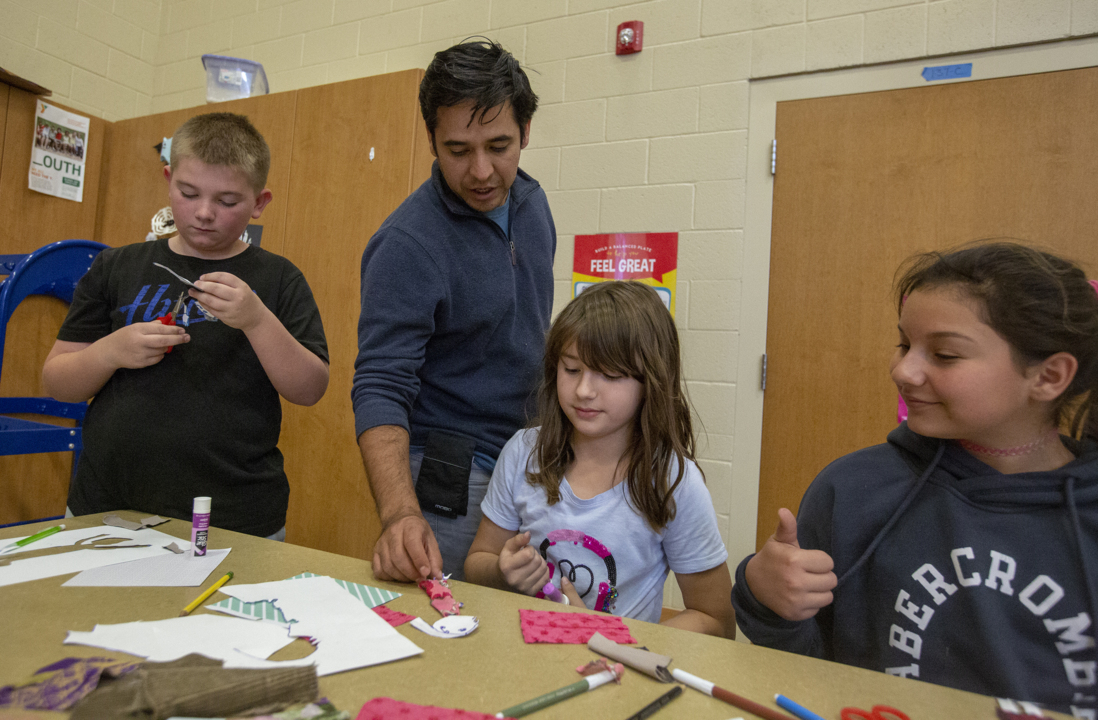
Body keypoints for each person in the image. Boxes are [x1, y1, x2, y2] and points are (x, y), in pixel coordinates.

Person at [733, 242, 1098, 716]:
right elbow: (802, 675)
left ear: (1049, 376)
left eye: (944, 355)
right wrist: (764, 598)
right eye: (905, 344)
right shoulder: (852, 490)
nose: (903, 370)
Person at [42, 112, 329, 538]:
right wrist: (110, 351)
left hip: (236, 515)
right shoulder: (115, 267)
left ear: (259, 203)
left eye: (228, 202)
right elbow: (58, 382)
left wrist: (256, 320)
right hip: (107, 505)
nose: (204, 213)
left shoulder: (279, 278)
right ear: (167, 178)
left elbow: (310, 389)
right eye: (188, 192)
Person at [352, 39, 555, 583]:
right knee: (452, 624)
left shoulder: (533, 205)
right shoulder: (406, 244)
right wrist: (399, 514)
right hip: (451, 474)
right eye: (459, 150)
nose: (482, 171)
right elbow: (379, 387)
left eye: (499, 145)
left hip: (532, 464)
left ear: (526, 133)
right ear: (432, 140)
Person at [464, 281, 736, 638]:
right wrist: (503, 572)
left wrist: (610, 635)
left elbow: (716, 619)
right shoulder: (523, 452)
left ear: (650, 382)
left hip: (617, 674)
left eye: (609, 375)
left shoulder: (673, 480)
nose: (584, 391)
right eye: (572, 369)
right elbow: (477, 563)